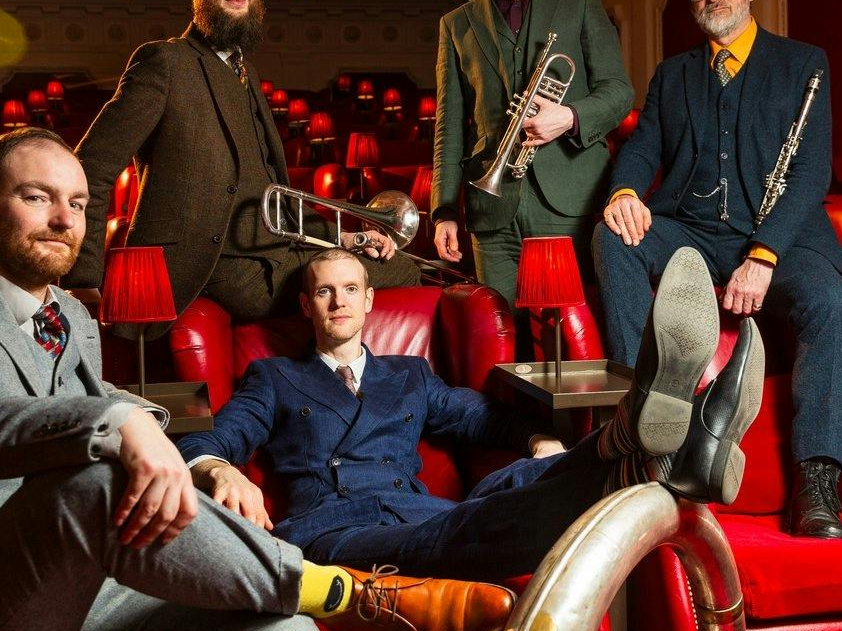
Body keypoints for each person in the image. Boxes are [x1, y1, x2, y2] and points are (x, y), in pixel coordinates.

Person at [0, 129, 513, 631]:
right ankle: (346, 594)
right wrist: (121, 426)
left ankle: (320, 602)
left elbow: (95, 404)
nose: (64, 219)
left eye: (77, 202)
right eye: (36, 197)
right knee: (95, 478)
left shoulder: (69, 316)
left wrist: (170, 443)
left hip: (64, 622)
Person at [177, 245, 764, 582]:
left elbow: (479, 417)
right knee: (464, 524)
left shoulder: (408, 375)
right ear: (307, 305)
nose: (339, 302)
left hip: (418, 509)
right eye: (325, 292)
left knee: (515, 481)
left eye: (351, 289)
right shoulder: (275, 377)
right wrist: (215, 468)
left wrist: (537, 436)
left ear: (369, 300)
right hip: (335, 530)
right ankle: (668, 443)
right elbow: (218, 435)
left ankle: (647, 449)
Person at [593, 0, 842, 540]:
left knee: (829, 302)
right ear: (691, 1)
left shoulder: (802, 63)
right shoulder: (674, 74)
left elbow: (812, 173)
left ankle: (817, 485)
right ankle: (646, 423)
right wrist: (625, 194)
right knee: (614, 239)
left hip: (778, 239)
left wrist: (763, 256)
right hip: (691, 228)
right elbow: (643, 148)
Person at [64, 0, 418, 330]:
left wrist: (342, 236)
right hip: (216, 263)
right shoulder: (165, 62)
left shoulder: (244, 73)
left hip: (275, 251)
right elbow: (88, 169)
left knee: (405, 262)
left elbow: (272, 192)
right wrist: (83, 280)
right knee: (405, 273)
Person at [431, 0, 634, 300]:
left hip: (568, 199)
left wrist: (570, 116)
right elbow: (450, 128)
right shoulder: (457, 23)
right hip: (490, 208)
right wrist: (445, 211)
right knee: (500, 333)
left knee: (561, 333)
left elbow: (618, 91)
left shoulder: (579, 1)